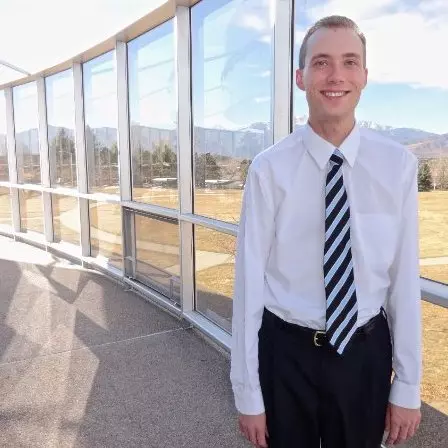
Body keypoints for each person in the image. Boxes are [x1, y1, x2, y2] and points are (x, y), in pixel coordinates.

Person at [230, 15, 422, 448]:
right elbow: (248, 284)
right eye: (321, 63)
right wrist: (248, 392)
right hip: (285, 356)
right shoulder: (268, 169)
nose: (336, 76)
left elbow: (404, 281)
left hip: (364, 354)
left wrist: (408, 386)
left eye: (349, 62)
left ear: (365, 76)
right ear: (301, 77)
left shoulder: (398, 167)